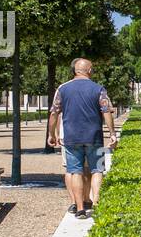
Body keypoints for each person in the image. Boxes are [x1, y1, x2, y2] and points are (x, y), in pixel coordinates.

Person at [47, 58, 116, 219]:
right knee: (98, 170)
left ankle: (79, 209)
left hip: (71, 139)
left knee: (75, 171)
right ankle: (96, 203)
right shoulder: (99, 89)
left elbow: (54, 113)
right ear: (89, 71)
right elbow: (106, 111)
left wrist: (52, 134)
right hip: (95, 138)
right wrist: (112, 133)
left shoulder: (62, 89)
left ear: (75, 71)